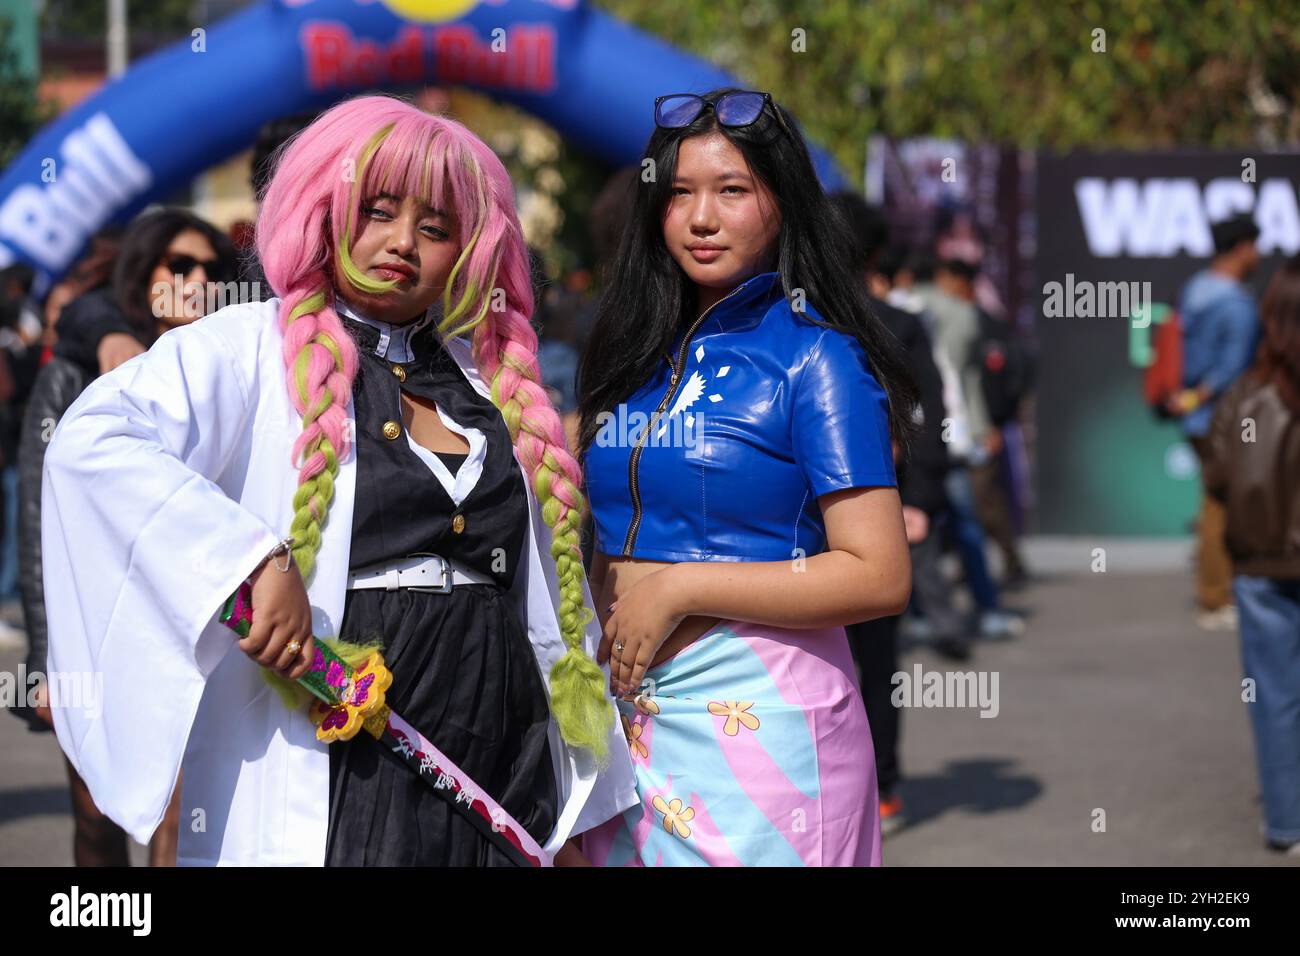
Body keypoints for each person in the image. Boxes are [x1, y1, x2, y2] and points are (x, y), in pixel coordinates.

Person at [42, 94, 635, 866]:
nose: (401, 244)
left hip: (500, 737)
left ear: (469, 249)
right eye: (378, 210)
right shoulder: (246, 345)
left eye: (436, 227)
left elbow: (545, 600)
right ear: (325, 210)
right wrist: (251, 559)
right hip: (340, 747)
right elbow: (93, 440)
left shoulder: (486, 382)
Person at [576, 89, 915, 866]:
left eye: (732, 190)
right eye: (680, 193)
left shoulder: (818, 360)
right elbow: (608, 534)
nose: (701, 217)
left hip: (765, 731)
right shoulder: (627, 360)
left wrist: (683, 586)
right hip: (629, 728)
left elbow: (879, 575)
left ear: (783, 202)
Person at [20, 207, 237, 866]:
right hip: (99, 634)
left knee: (180, 815)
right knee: (96, 825)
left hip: (196, 633)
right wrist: (46, 661)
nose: (197, 278)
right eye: (179, 265)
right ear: (143, 274)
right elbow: (37, 522)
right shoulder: (83, 372)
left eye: (211, 268)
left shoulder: (239, 373)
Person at [830, 192, 956, 837]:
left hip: (809, 522)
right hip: (881, 514)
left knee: (828, 654)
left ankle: (863, 786)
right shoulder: (895, 323)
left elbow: (922, 420)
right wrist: (916, 500)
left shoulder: (796, 321)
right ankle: (882, 784)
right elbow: (930, 419)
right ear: (877, 253)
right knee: (877, 658)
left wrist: (916, 498)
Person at [1201, 254, 1300, 855]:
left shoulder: (1246, 394)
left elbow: (1218, 474)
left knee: (1275, 698)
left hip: (1262, 566)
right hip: (1263, 566)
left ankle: (1287, 821)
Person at [1175, 213, 1262, 630]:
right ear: (1243, 247)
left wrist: (1189, 398)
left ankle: (1218, 592)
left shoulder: (1194, 289)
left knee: (1217, 502)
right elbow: (1231, 372)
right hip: (1222, 421)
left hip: (1198, 418)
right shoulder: (1237, 304)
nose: (1259, 255)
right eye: (1255, 246)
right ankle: (1215, 597)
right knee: (1219, 506)